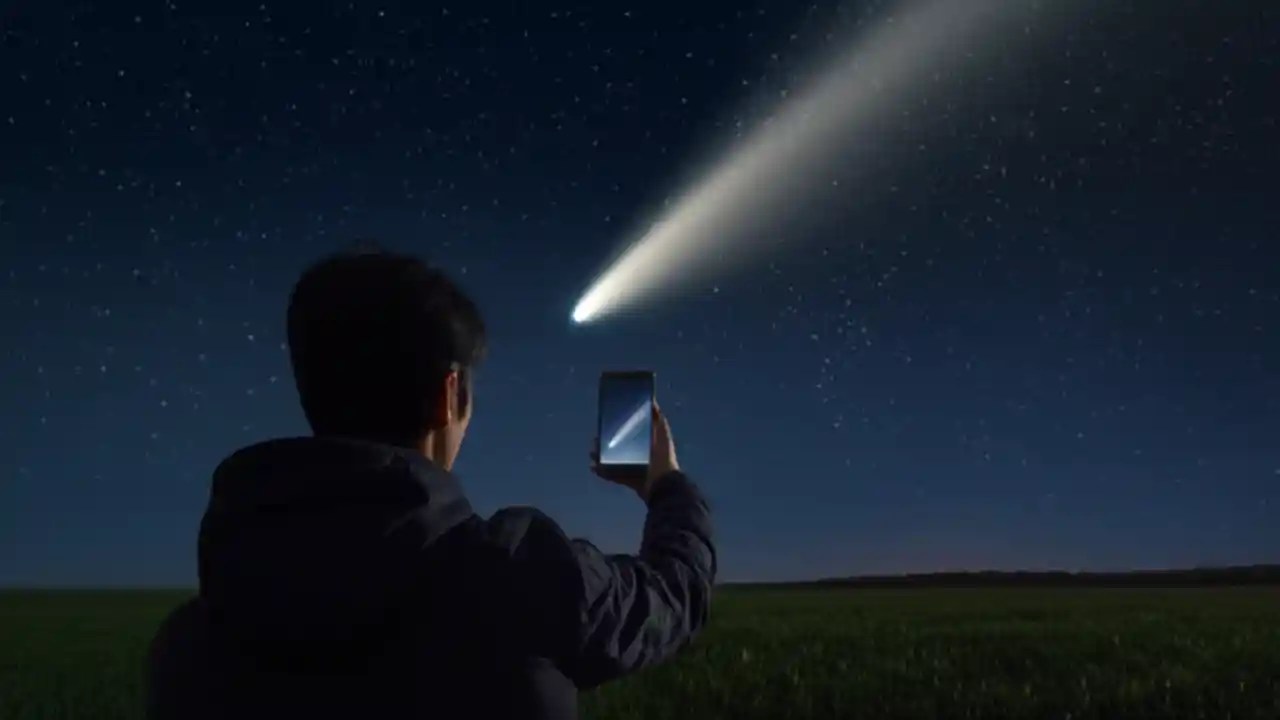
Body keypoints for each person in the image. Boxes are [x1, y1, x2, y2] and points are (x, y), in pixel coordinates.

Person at [145, 248, 716, 720]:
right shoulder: (521, 579)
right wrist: (665, 485)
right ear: (450, 396)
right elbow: (673, 595)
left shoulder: (188, 646)